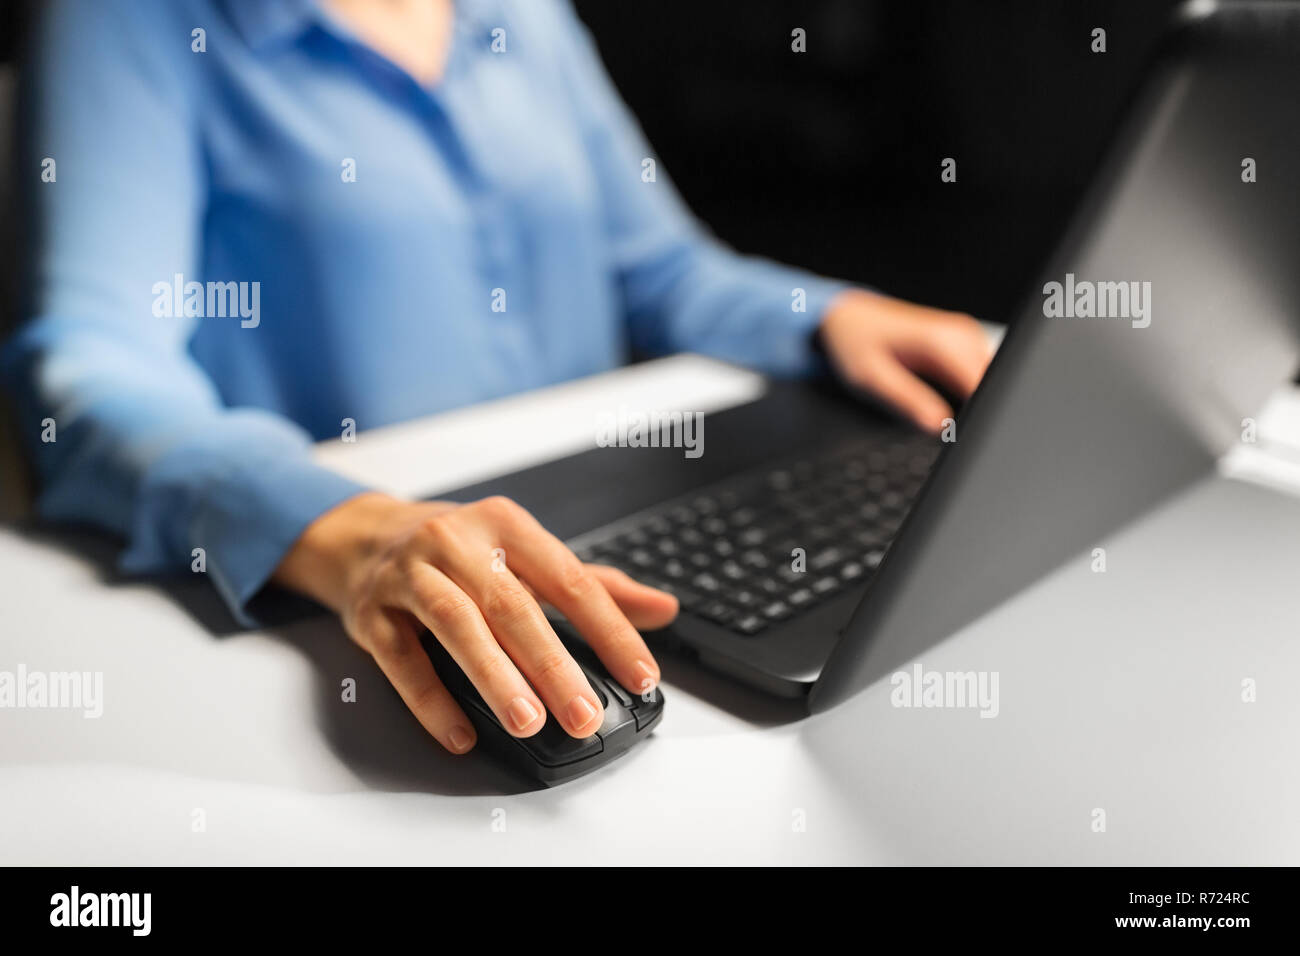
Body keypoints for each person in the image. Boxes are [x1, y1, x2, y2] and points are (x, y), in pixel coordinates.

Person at [2, 0, 992, 756]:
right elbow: (93, 361)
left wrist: (826, 314)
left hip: (612, 533)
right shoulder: (125, 22)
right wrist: (341, 524)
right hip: (376, 572)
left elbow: (659, 268)